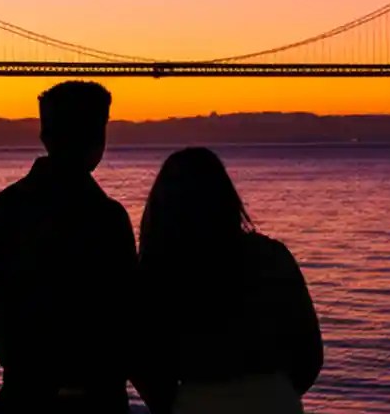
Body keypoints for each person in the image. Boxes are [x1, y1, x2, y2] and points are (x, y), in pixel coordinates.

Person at [0, 81, 137, 414]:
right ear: (99, 140)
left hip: (25, 398)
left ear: (45, 136)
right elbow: (130, 313)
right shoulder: (108, 218)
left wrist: (32, 374)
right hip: (101, 400)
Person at [136, 147, 323, 414]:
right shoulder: (272, 256)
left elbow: (143, 360)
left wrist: (173, 403)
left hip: (195, 404)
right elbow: (310, 353)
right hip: (276, 401)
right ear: (226, 198)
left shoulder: (157, 270)